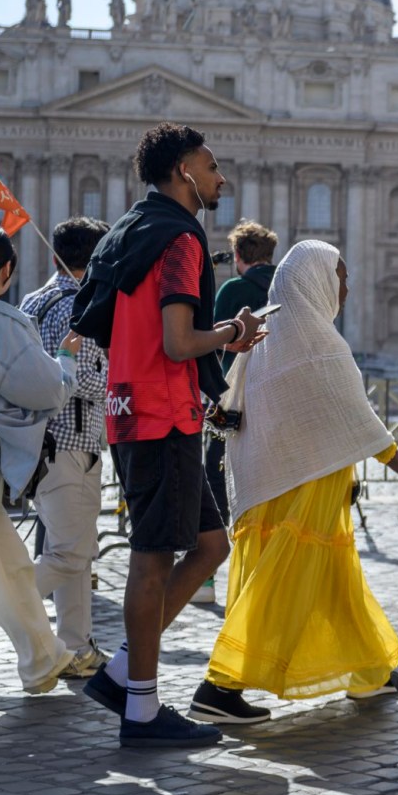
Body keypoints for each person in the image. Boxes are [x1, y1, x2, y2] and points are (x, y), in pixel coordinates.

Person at [74, 122, 266, 748]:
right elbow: (179, 341)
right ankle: (143, 711)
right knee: (152, 561)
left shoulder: (131, 229)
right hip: (160, 414)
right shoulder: (181, 238)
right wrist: (234, 334)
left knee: (211, 546)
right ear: (184, 171)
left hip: (140, 407)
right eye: (211, 166)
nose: (220, 177)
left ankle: (126, 674)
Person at [190, 241, 398, 720]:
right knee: (284, 585)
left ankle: (367, 670)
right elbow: (360, 422)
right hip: (304, 490)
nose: (345, 286)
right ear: (315, 280)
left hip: (274, 483)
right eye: (340, 276)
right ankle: (219, 686)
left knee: (333, 579)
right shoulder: (320, 344)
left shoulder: (264, 339)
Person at [0, 217, 111, 681]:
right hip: (64, 441)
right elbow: (67, 382)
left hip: (29, 448)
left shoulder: (31, 301)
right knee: (69, 555)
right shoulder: (72, 307)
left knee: (55, 556)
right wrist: (119, 381)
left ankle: (68, 649)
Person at [204, 219, 277, 530]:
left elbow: (214, 344)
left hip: (235, 397)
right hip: (278, 391)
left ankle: (217, 539)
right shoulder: (287, 285)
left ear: (237, 256)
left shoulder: (234, 289)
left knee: (216, 469)